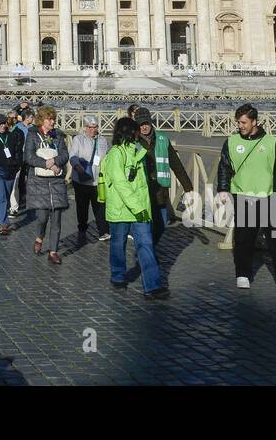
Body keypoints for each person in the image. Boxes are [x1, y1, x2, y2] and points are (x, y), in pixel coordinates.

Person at [216, 103, 276, 293]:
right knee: (244, 239)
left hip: (268, 197)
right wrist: (223, 189)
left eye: (243, 122)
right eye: (238, 122)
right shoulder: (231, 141)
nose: (240, 126)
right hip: (243, 196)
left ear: (254, 122)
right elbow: (224, 167)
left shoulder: (271, 142)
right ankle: (243, 274)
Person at [98, 117, 166, 298]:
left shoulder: (138, 151)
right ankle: (118, 275)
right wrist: (139, 208)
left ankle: (152, 286)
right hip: (122, 210)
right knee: (118, 245)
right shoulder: (115, 154)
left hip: (140, 210)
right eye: (136, 130)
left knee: (146, 245)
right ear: (130, 132)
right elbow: (121, 184)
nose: (139, 133)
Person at [134, 107, 194, 247]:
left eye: (146, 123)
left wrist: (188, 187)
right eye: (141, 124)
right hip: (143, 193)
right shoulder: (133, 142)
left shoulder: (162, 139)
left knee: (161, 226)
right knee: (145, 228)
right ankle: (148, 255)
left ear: (151, 122)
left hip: (161, 191)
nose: (144, 127)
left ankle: (150, 249)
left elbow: (176, 165)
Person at [22, 105, 70, 263]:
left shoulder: (58, 135)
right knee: (42, 217)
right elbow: (28, 157)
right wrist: (47, 163)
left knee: (56, 219)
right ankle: (39, 237)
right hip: (39, 182)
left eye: (54, 119)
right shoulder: (32, 135)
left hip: (56, 181)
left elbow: (64, 154)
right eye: (50, 119)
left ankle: (53, 252)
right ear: (42, 120)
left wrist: (55, 161)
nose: (53, 122)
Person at [68, 115, 108, 244]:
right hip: (81, 179)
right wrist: (77, 166)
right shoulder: (78, 139)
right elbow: (73, 156)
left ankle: (103, 231)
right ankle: (82, 228)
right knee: (82, 207)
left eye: (94, 127)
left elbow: (107, 158)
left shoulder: (102, 140)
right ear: (85, 128)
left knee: (100, 206)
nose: (92, 130)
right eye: (89, 127)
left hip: (97, 180)